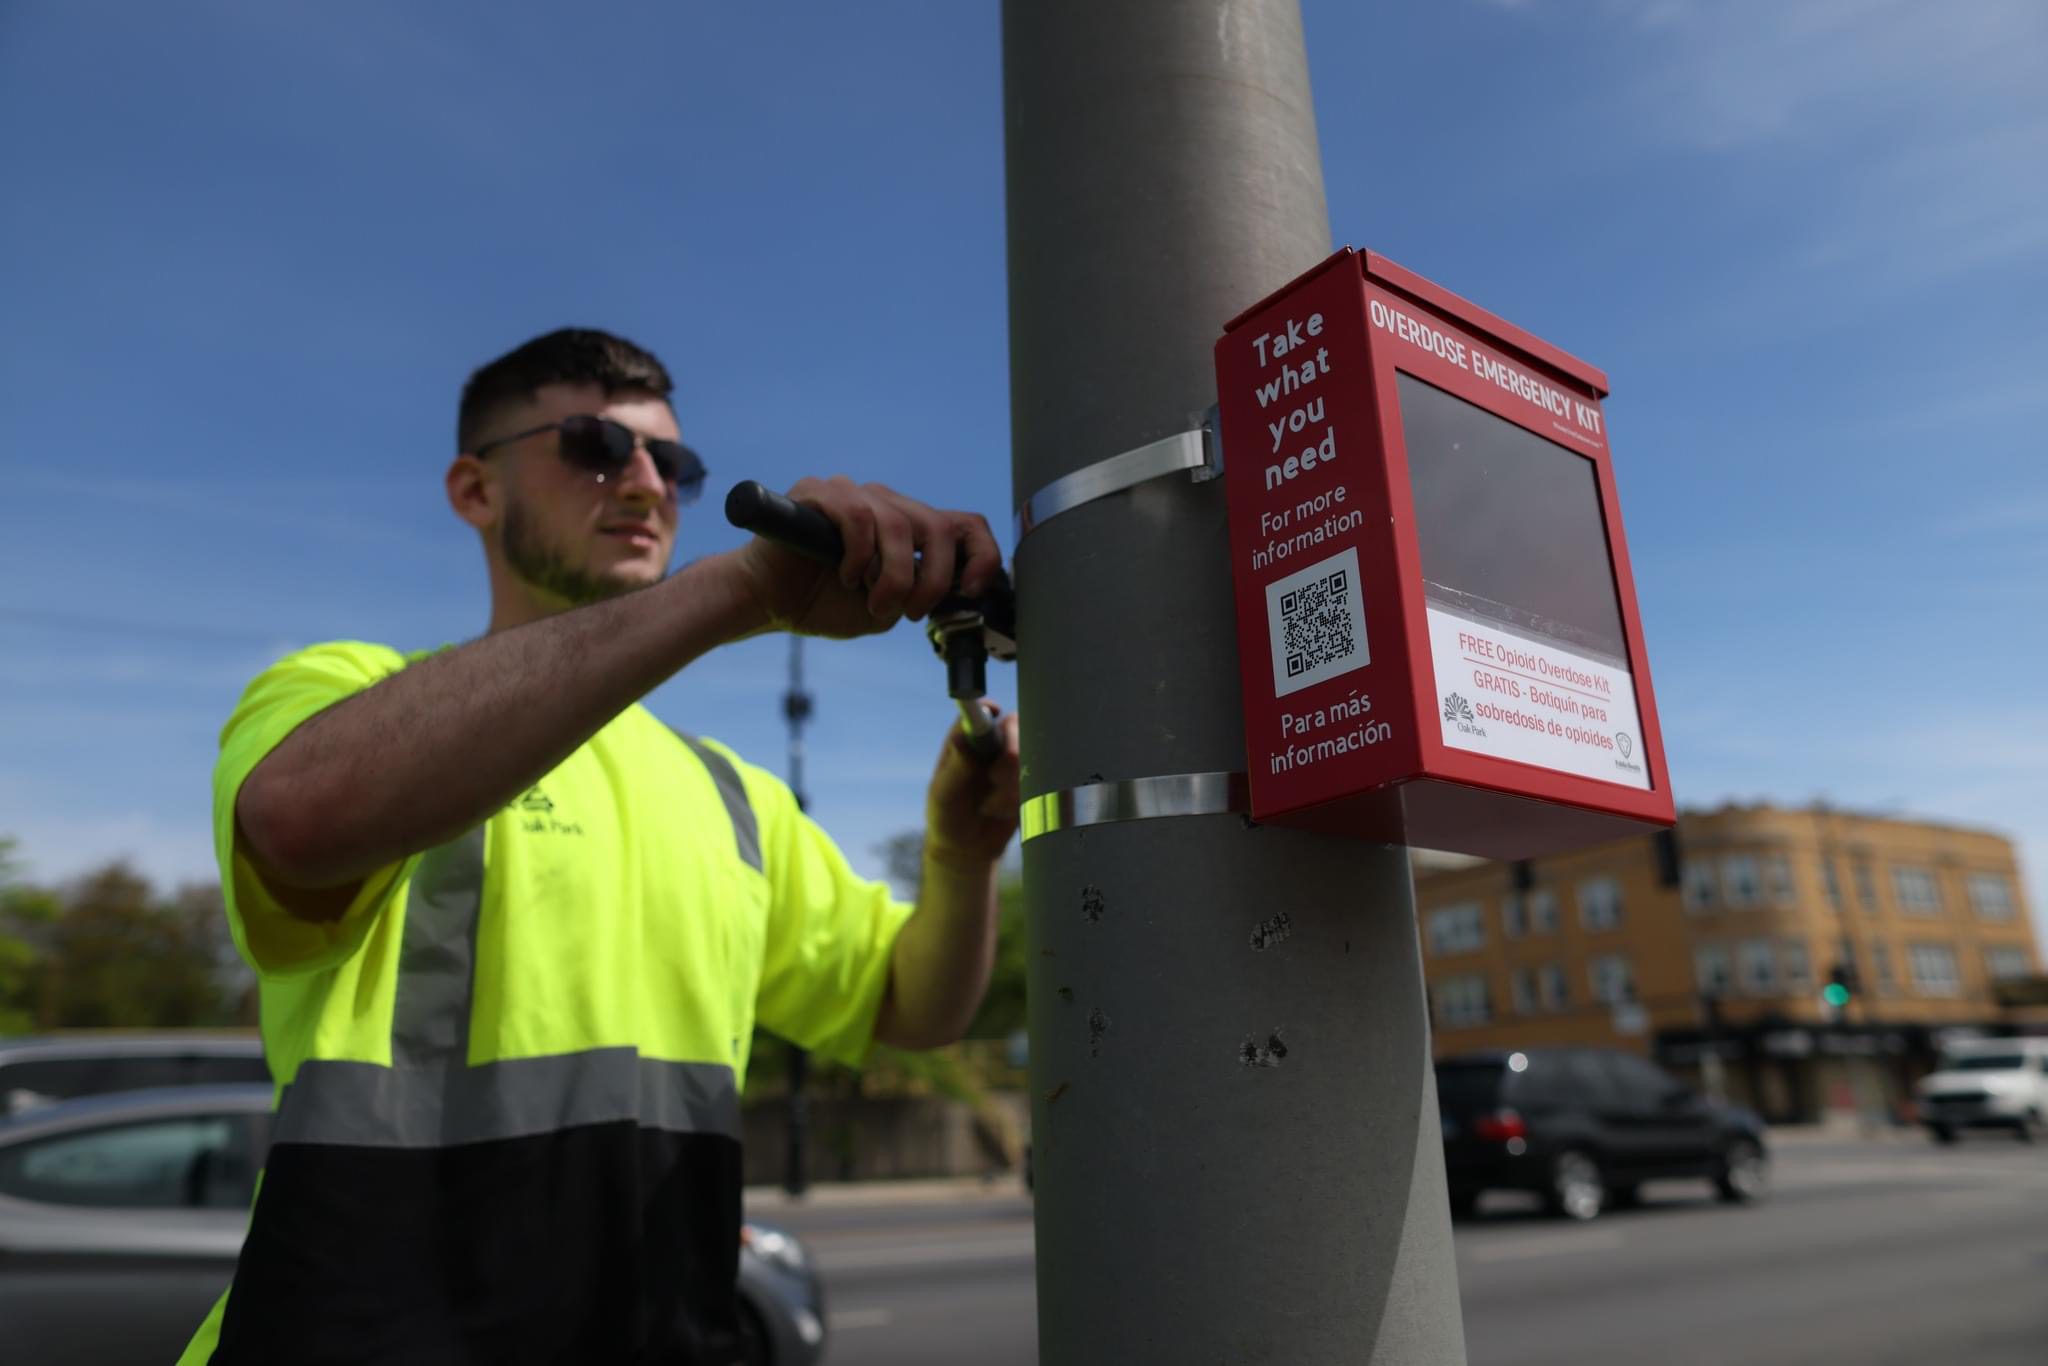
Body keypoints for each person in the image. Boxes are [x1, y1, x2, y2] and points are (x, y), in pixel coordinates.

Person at [177, 328, 1022, 1365]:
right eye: (593, 445)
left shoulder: (732, 796)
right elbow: (300, 820)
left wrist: (958, 857)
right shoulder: (346, 690)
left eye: (671, 463)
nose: (643, 483)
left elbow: (910, 1009)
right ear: (473, 489)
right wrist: (735, 592)